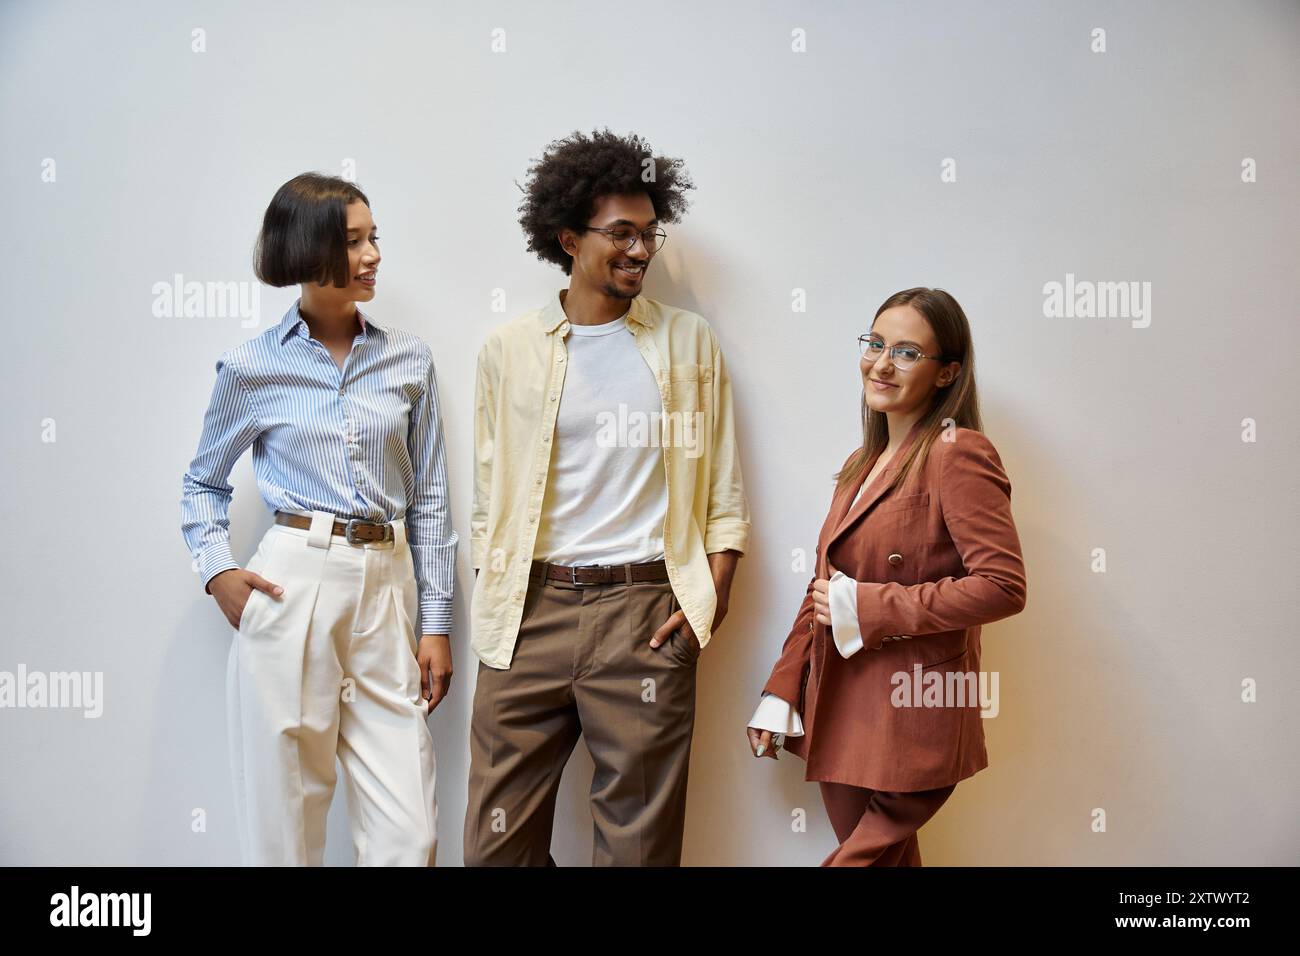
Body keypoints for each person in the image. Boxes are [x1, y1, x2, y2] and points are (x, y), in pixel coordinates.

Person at [463, 129, 750, 866]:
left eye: (650, 233)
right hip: (530, 613)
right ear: (567, 237)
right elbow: (490, 496)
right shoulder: (508, 350)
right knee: (495, 849)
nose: (641, 250)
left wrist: (702, 606)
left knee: (637, 851)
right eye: (620, 233)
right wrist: (498, 594)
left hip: (644, 613)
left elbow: (722, 497)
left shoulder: (689, 344)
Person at [180, 172, 457, 866]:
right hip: (292, 583)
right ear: (309, 251)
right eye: (355, 241)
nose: (374, 256)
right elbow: (201, 485)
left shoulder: (408, 359)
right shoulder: (251, 368)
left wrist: (436, 622)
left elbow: (428, 498)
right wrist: (218, 572)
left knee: (409, 832)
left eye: (374, 237)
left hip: (388, 590)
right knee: (284, 824)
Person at [748, 287, 1027, 866]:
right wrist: (781, 688)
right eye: (875, 343)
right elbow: (823, 589)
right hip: (841, 702)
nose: (880, 362)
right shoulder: (859, 465)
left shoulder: (958, 452)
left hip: (917, 711)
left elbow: (1003, 586)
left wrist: (873, 607)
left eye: (905, 352)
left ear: (947, 373)